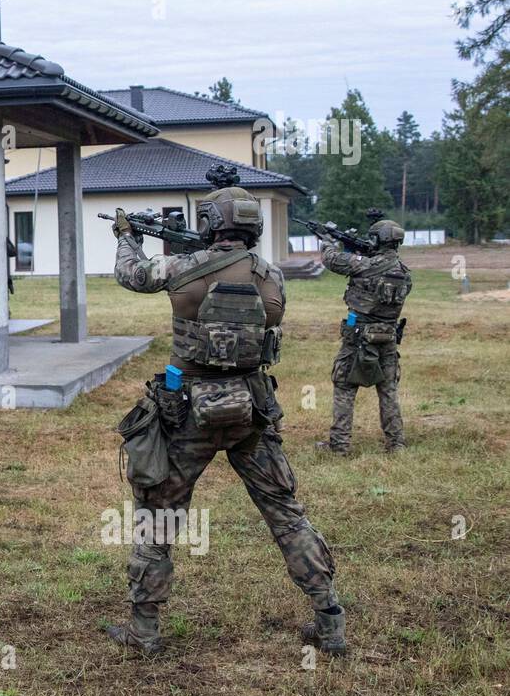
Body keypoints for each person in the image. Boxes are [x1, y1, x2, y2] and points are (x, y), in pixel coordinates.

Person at [105, 171, 345, 657]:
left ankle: (144, 631)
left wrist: (128, 237)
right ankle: (330, 621)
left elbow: (132, 276)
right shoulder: (270, 274)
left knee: (158, 520)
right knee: (286, 515)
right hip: (251, 410)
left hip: (185, 413)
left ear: (209, 223)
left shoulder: (182, 269)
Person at [316, 218, 411, 454]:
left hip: (358, 336)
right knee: (388, 390)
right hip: (388, 336)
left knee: (345, 387)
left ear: (377, 239)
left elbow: (331, 260)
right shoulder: (404, 273)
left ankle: (339, 446)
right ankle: (396, 443)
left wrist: (327, 242)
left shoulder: (365, 265)